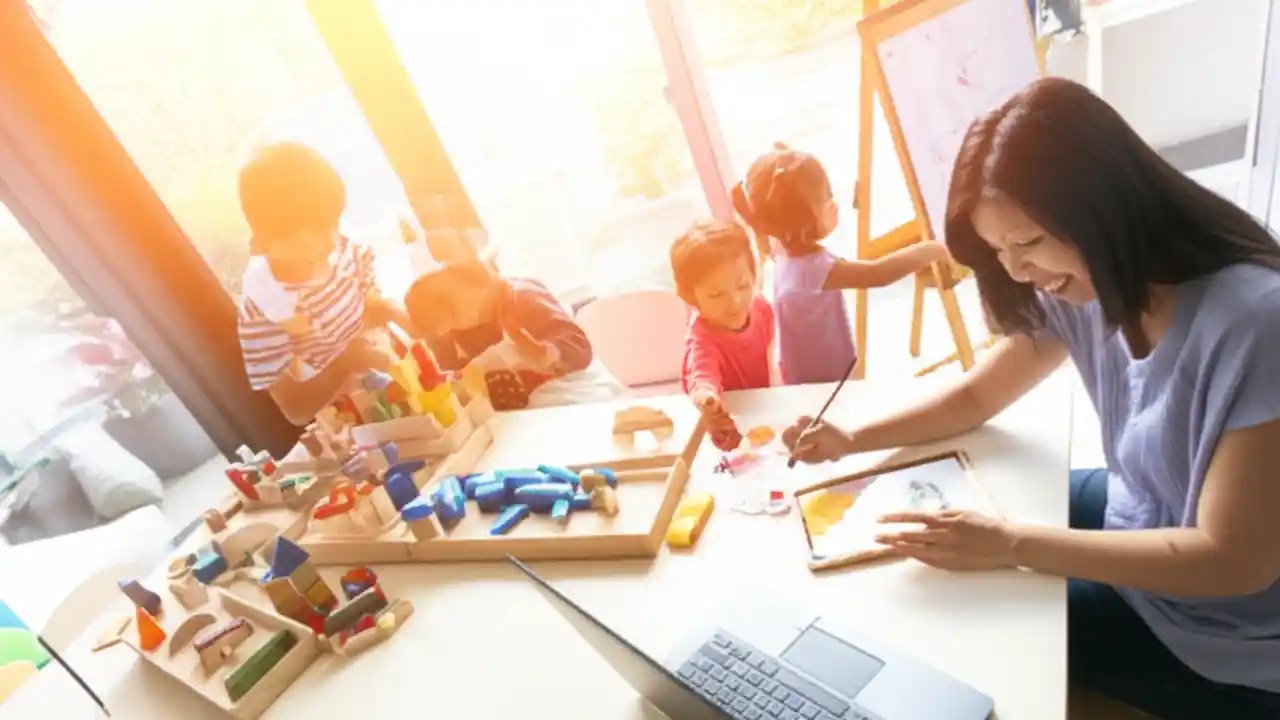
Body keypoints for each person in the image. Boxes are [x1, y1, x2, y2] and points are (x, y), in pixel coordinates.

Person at [784, 77, 1280, 719]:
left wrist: (1014, 544)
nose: (1017, 271)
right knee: (985, 508)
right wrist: (852, 439)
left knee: (983, 619)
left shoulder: (1254, 322)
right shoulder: (1088, 281)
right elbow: (977, 395)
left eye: (1029, 243)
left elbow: (1231, 562)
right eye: (997, 250)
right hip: (1149, 505)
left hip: (1219, 631)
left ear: (1105, 207)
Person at [732, 145, 948, 384]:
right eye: (827, 198)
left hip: (799, 375)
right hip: (827, 382)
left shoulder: (779, 250)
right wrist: (932, 249)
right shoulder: (815, 270)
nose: (834, 204)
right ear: (804, 220)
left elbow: (761, 223)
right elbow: (878, 274)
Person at [236, 142, 413, 425]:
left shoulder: (346, 253)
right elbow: (294, 409)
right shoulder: (264, 309)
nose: (333, 239)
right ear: (268, 236)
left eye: (334, 222)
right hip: (355, 428)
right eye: (316, 231)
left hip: (402, 390)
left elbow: (372, 305)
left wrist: (395, 311)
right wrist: (346, 362)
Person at [403, 260, 614, 409]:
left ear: (474, 280)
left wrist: (544, 353)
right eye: (445, 324)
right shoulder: (461, 332)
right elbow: (455, 380)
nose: (453, 325)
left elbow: (579, 348)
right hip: (527, 411)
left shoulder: (521, 296)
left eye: (449, 307)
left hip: (578, 391)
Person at [671, 220, 774, 450]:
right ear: (690, 297)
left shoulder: (761, 309)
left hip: (760, 415)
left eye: (743, 285)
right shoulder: (702, 339)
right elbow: (701, 377)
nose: (735, 302)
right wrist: (707, 399)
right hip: (726, 429)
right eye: (717, 295)